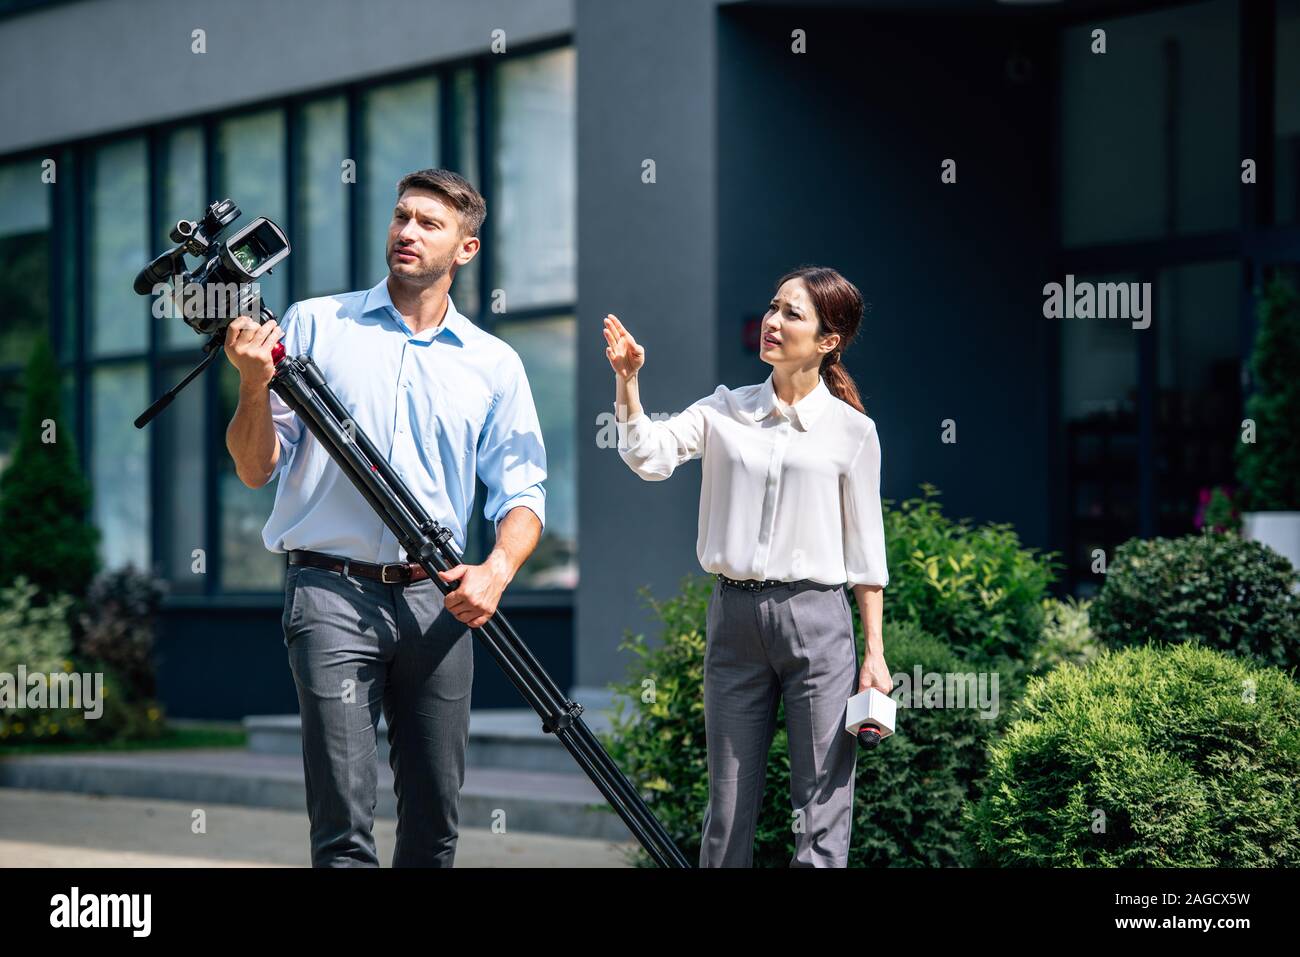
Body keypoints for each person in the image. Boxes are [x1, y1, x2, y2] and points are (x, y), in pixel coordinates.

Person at [223, 168, 547, 867]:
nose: (407, 232)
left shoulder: (494, 364)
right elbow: (255, 468)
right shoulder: (313, 324)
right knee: (343, 825)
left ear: (466, 249)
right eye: (402, 216)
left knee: (434, 825)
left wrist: (497, 569)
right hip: (330, 593)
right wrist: (253, 386)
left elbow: (523, 495)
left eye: (430, 223)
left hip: (440, 602)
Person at [605, 265, 891, 868]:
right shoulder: (723, 410)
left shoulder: (853, 432)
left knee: (821, 808)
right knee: (728, 808)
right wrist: (628, 384)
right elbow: (647, 456)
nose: (772, 321)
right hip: (732, 618)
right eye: (772, 307)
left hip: (817, 621)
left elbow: (867, 553)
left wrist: (874, 654)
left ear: (828, 340)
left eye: (792, 314)